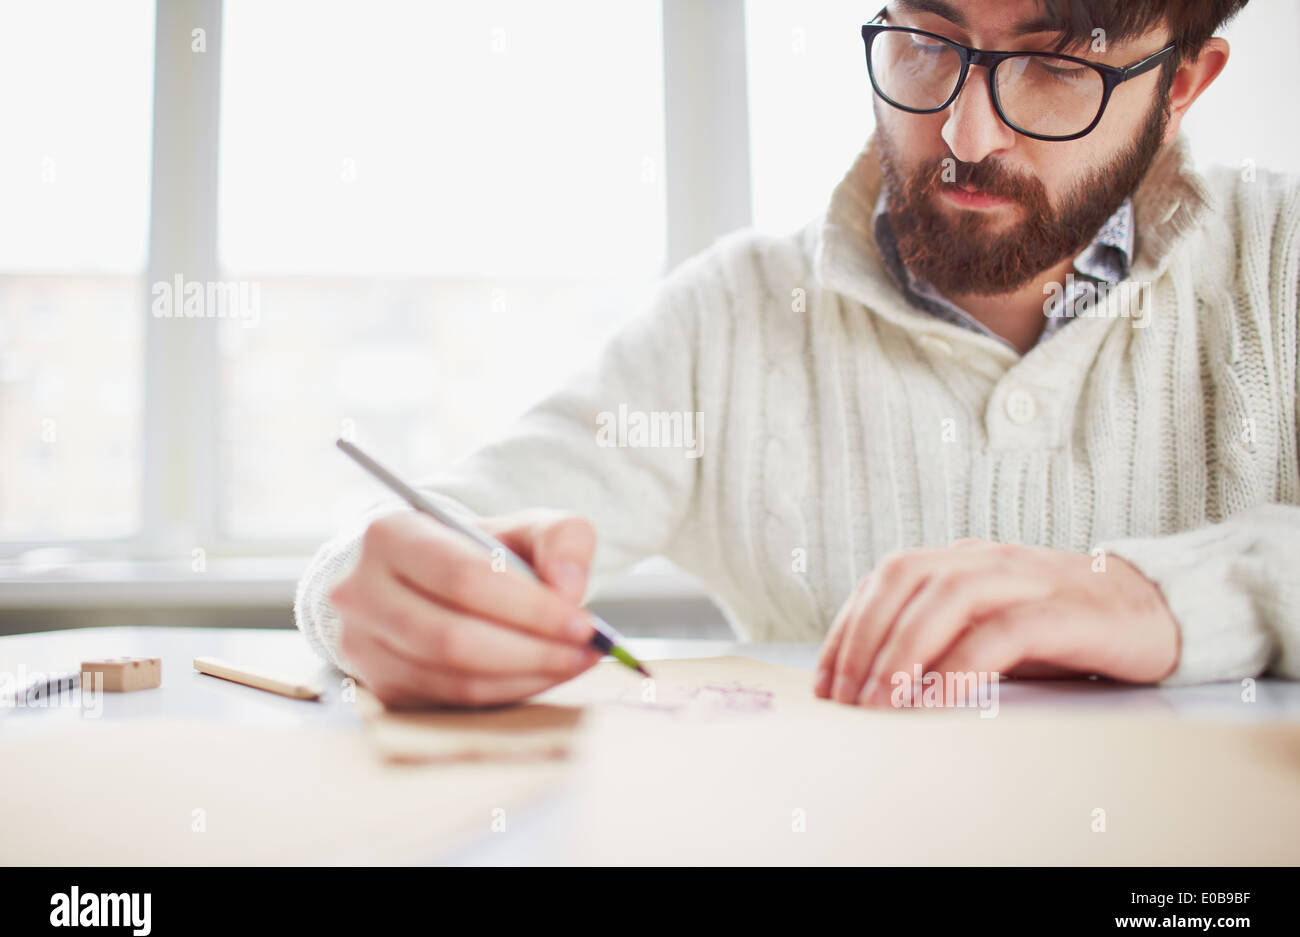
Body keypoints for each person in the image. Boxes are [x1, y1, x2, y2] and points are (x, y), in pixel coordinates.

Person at [296, 0, 1299, 709]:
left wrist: (1157, 596)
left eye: (1055, 64)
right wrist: (363, 592)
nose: (963, 130)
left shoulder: (1278, 263)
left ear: (1180, 85)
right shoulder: (730, 317)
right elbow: (429, 523)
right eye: (924, 39)